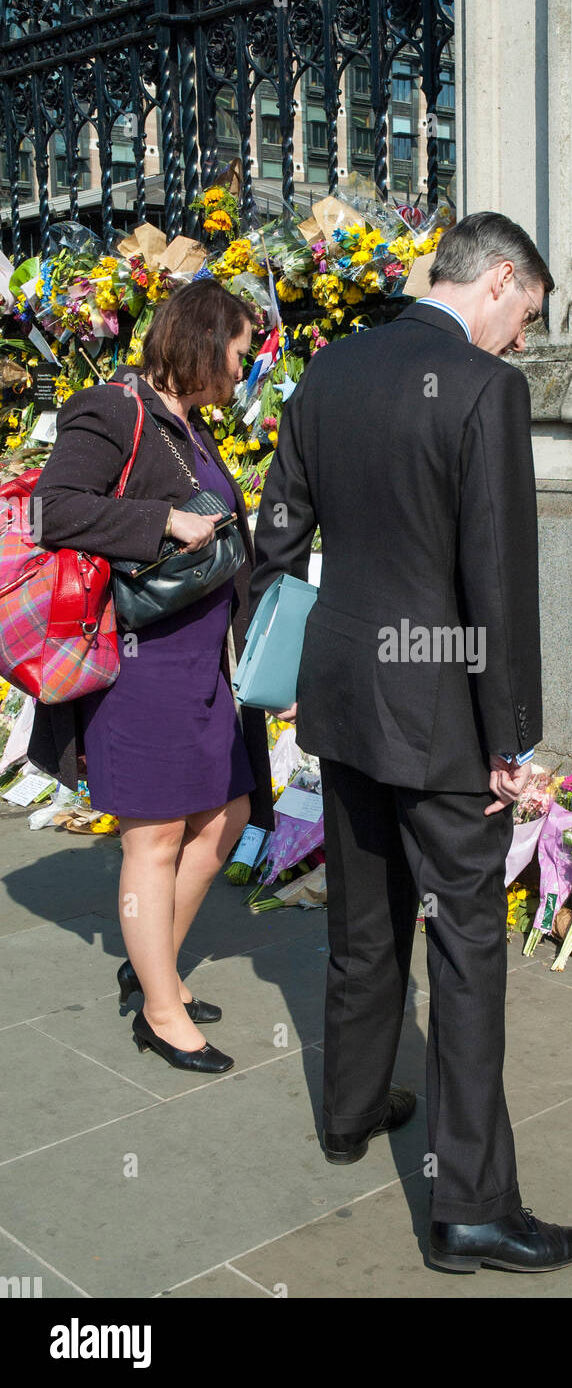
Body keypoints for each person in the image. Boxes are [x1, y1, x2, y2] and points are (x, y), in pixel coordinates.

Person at [250, 212, 572, 1273]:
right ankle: (472, 1204)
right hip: (444, 714)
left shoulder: (331, 370)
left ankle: (351, 1110)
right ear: (497, 282)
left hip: (343, 700)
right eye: (524, 318)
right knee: (464, 946)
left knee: (363, 917)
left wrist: (322, 655)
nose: (519, 344)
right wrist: (514, 738)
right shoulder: (486, 392)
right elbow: (496, 577)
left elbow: (277, 539)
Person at [27, 279, 275, 1074]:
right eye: (238, 354)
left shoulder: (188, 426)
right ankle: (161, 1015)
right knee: (156, 837)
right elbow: (53, 510)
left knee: (228, 816)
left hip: (200, 667)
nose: (242, 373)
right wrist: (162, 519)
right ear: (202, 342)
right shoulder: (112, 409)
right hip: (141, 668)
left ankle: (152, 964)